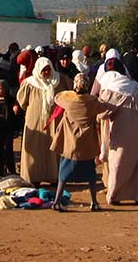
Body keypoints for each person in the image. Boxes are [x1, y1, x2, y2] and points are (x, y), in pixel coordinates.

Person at [96, 53, 138, 205]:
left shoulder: (112, 89)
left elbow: (102, 113)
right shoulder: (136, 86)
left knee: (119, 161)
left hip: (125, 129)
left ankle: (115, 195)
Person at [51, 73, 106, 212]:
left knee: (63, 174)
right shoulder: (92, 102)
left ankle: (57, 201)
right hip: (87, 145)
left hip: (70, 144)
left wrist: (70, 92)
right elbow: (103, 107)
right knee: (90, 174)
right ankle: (94, 202)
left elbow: (57, 97)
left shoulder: (68, 100)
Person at [16, 56, 72, 185]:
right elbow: (22, 101)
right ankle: (34, 177)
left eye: (48, 69)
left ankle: (55, 177)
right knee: (35, 147)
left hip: (55, 121)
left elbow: (70, 94)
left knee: (55, 146)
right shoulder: (30, 83)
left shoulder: (60, 80)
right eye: (43, 70)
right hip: (35, 122)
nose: (46, 72)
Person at [0, 79, 18, 176]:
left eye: (0, 89)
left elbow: (15, 117)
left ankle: (11, 170)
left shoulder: (11, 101)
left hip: (7, 130)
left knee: (8, 151)